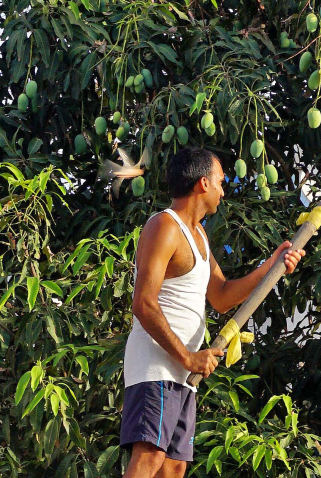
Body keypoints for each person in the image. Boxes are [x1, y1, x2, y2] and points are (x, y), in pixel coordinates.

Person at [121, 147, 304, 477]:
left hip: (183, 372)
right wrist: (188, 358)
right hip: (158, 367)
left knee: (174, 467)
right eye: (220, 181)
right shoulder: (164, 226)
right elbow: (143, 304)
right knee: (149, 457)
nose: (223, 189)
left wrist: (271, 267)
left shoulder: (200, 236)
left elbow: (220, 297)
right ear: (203, 183)